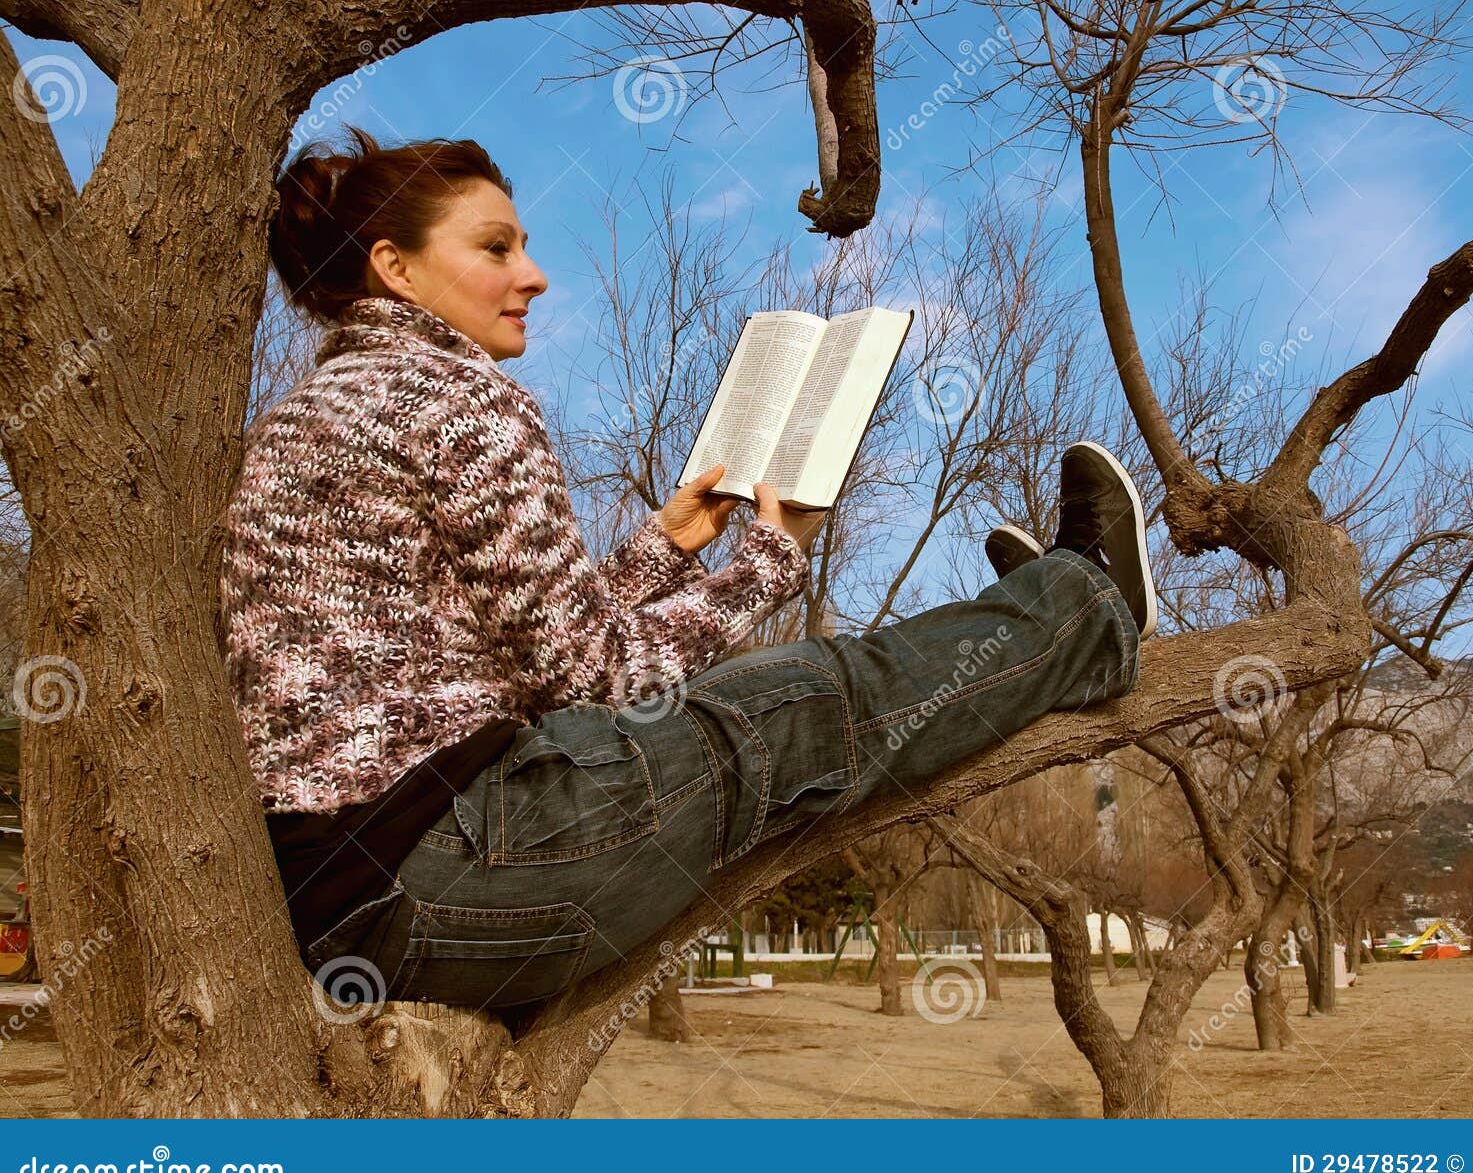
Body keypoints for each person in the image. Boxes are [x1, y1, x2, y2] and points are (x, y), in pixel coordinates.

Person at [225, 125, 1156, 1015]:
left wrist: (667, 547)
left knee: (780, 706)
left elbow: (523, 650)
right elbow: (594, 680)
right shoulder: (457, 397)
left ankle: (1036, 622)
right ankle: (1084, 606)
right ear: (396, 267)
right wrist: (770, 561)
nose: (533, 275)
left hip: (352, 902)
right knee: (804, 697)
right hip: (450, 872)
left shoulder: (305, 412)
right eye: (496, 248)